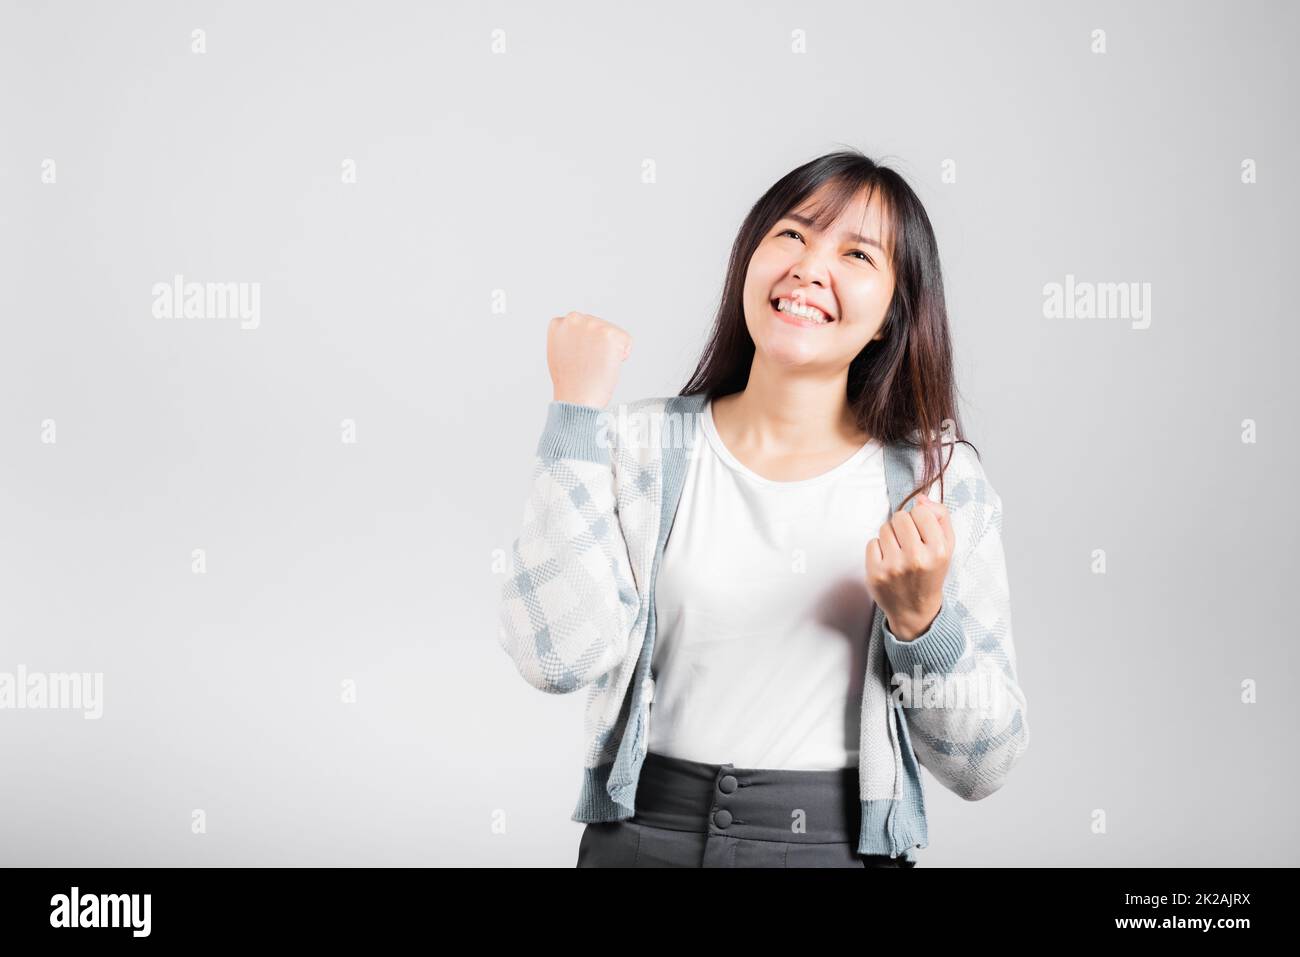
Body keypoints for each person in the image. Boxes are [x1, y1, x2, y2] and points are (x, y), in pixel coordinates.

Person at [498, 149, 1030, 867]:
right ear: (749, 258)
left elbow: (983, 765)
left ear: (889, 318)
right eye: (792, 235)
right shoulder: (638, 446)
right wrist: (574, 416)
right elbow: (556, 658)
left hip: (834, 848)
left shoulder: (937, 482)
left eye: (857, 253)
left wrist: (921, 624)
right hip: (641, 837)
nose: (811, 267)